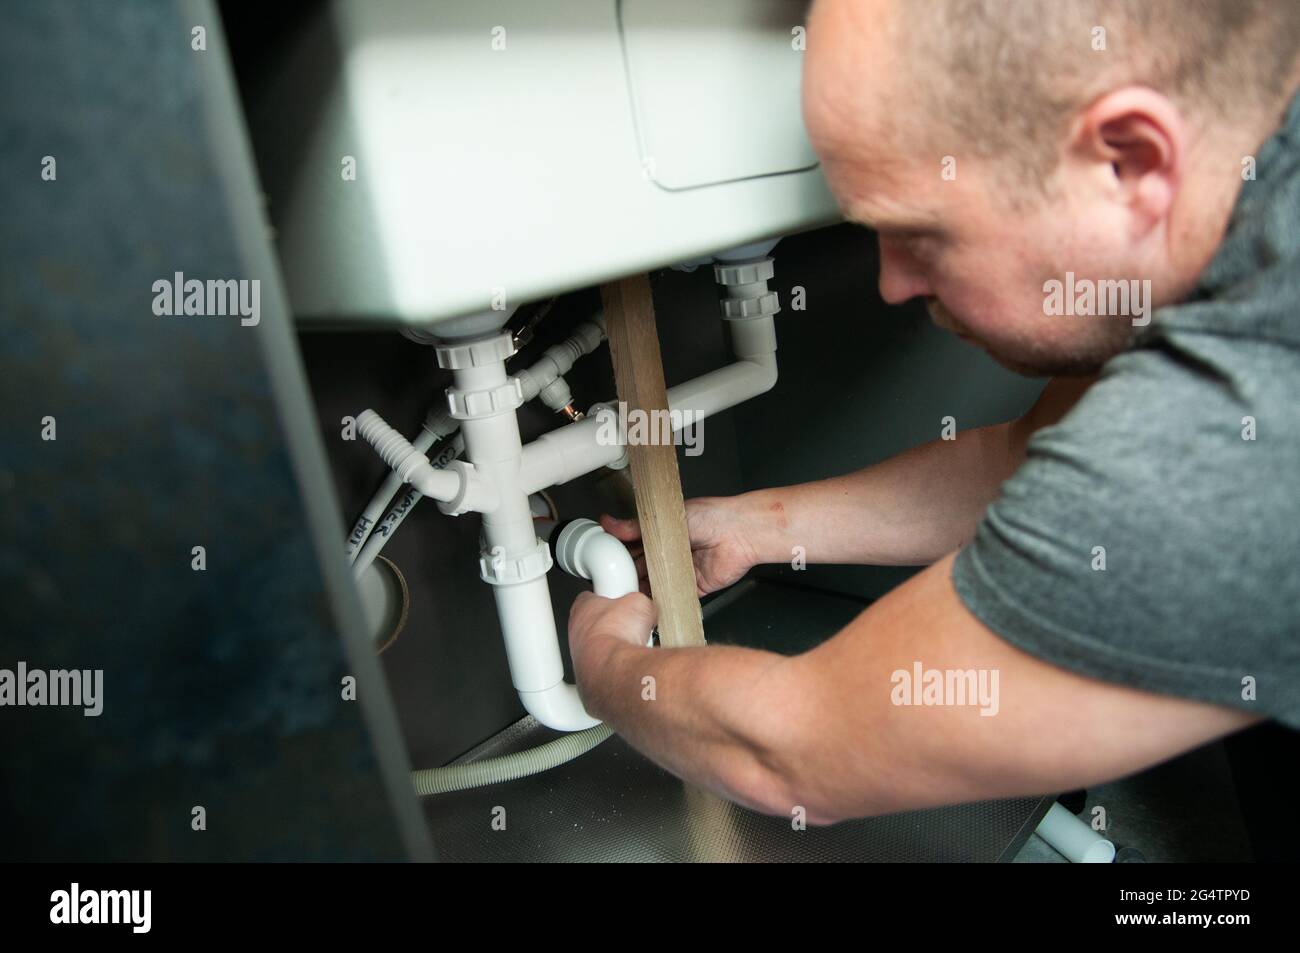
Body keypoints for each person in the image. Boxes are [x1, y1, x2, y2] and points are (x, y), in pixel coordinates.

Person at [566, 0, 1300, 825]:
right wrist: (759, 525)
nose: (893, 284)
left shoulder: (1241, 421)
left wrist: (605, 662)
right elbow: (1021, 458)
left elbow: (792, 751)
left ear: (1128, 161)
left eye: (922, 232)